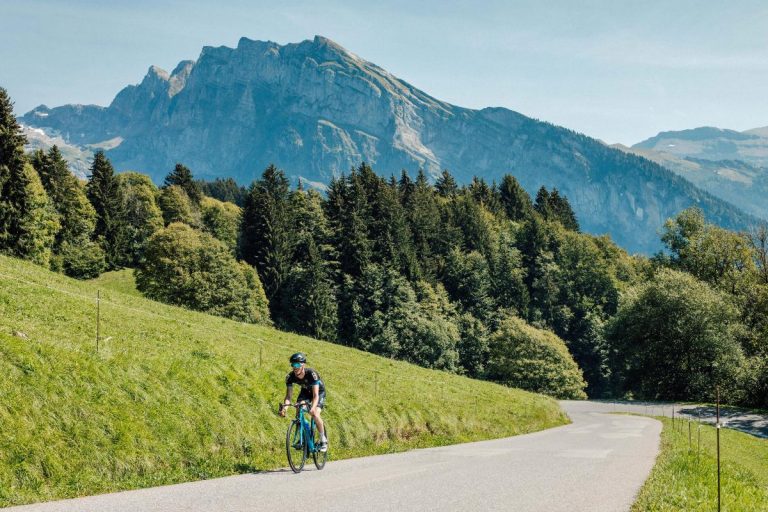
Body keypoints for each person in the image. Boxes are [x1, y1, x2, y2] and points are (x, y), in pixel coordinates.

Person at [279, 352, 328, 452]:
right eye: (293, 365)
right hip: (305, 392)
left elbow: (315, 395)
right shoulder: (290, 377)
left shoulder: (311, 374)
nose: (294, 367)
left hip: (318, 392)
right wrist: (285, 409)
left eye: (297, 364)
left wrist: (313, 408)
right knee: (298, 407)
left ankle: (323, 439)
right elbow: (288, 397)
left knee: (315, 413)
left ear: (303, 365)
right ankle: (302, 436)